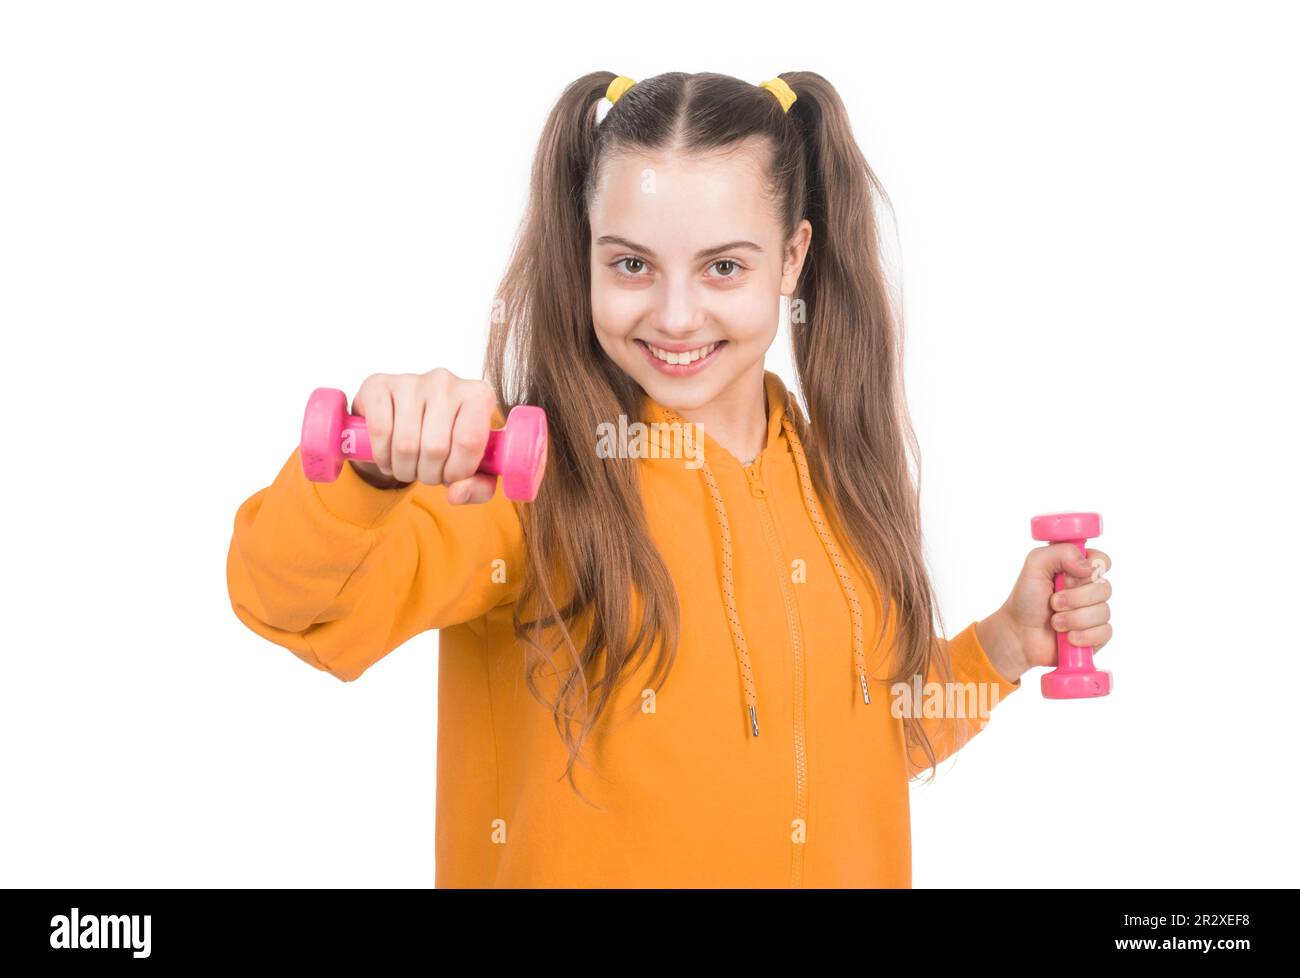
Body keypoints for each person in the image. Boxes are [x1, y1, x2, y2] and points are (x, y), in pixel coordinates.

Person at [226, 71, 1114, 887]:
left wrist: (1002, 646)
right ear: (586, 254)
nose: (676, 314)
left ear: (793, 260)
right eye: (631, 264)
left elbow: (859, 747)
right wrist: (371, 475)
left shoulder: (835, 480)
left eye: (724, 266)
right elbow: (295, 607)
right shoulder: (517, 478)